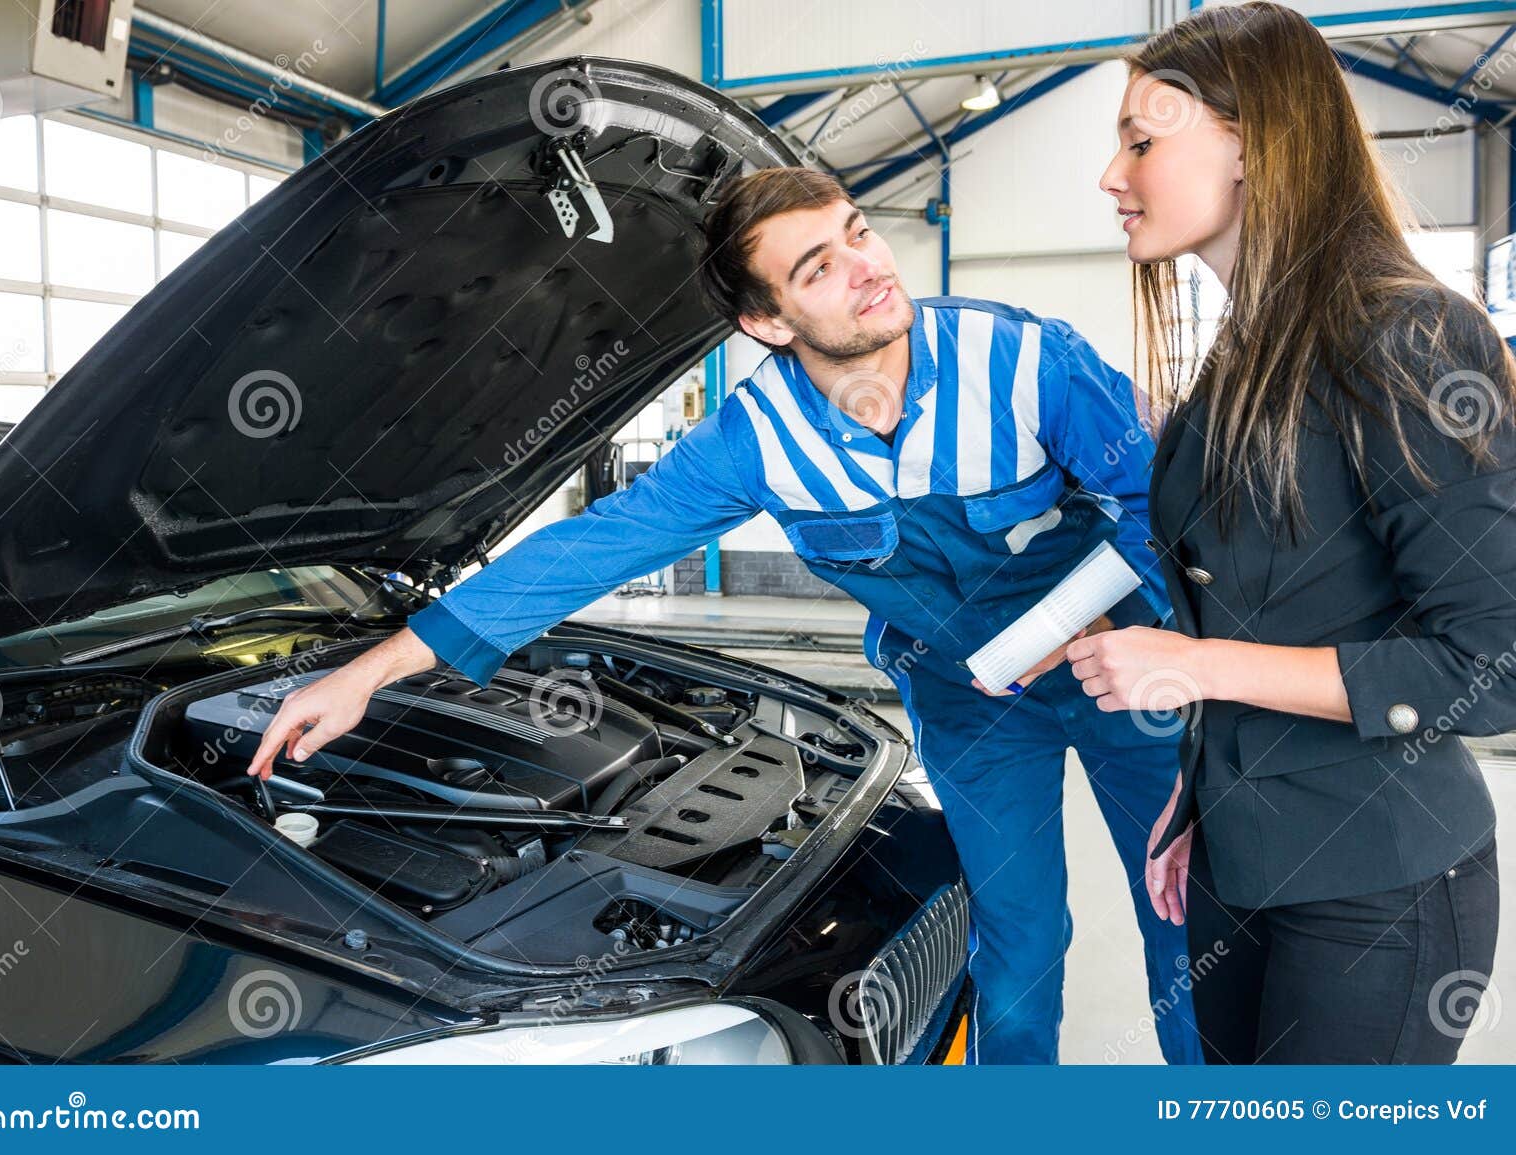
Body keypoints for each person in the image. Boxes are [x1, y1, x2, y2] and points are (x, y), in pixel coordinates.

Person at [244, 166, 1203, 1065]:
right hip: (969, 699)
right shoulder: (758, 440)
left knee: (1181, 920)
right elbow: (591, 547)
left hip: (1124, 666)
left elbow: (1162, 504)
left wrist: (1096, 624)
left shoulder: (1026, 358)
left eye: (858, 233)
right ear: (766, 321)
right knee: (1018, 940)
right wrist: (371, 669)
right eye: (818, 267)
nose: (868, 267)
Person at [1077, 0, 1506, 1063]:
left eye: (1141, 139)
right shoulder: (1242, 357)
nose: (1110, 174)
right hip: (1240, 861)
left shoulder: (1407, 333)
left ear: (1252, 144)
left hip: (1377, 888)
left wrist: (1191, 665)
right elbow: (1257, 600)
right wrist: (1204, 793)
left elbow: (1491, 663)